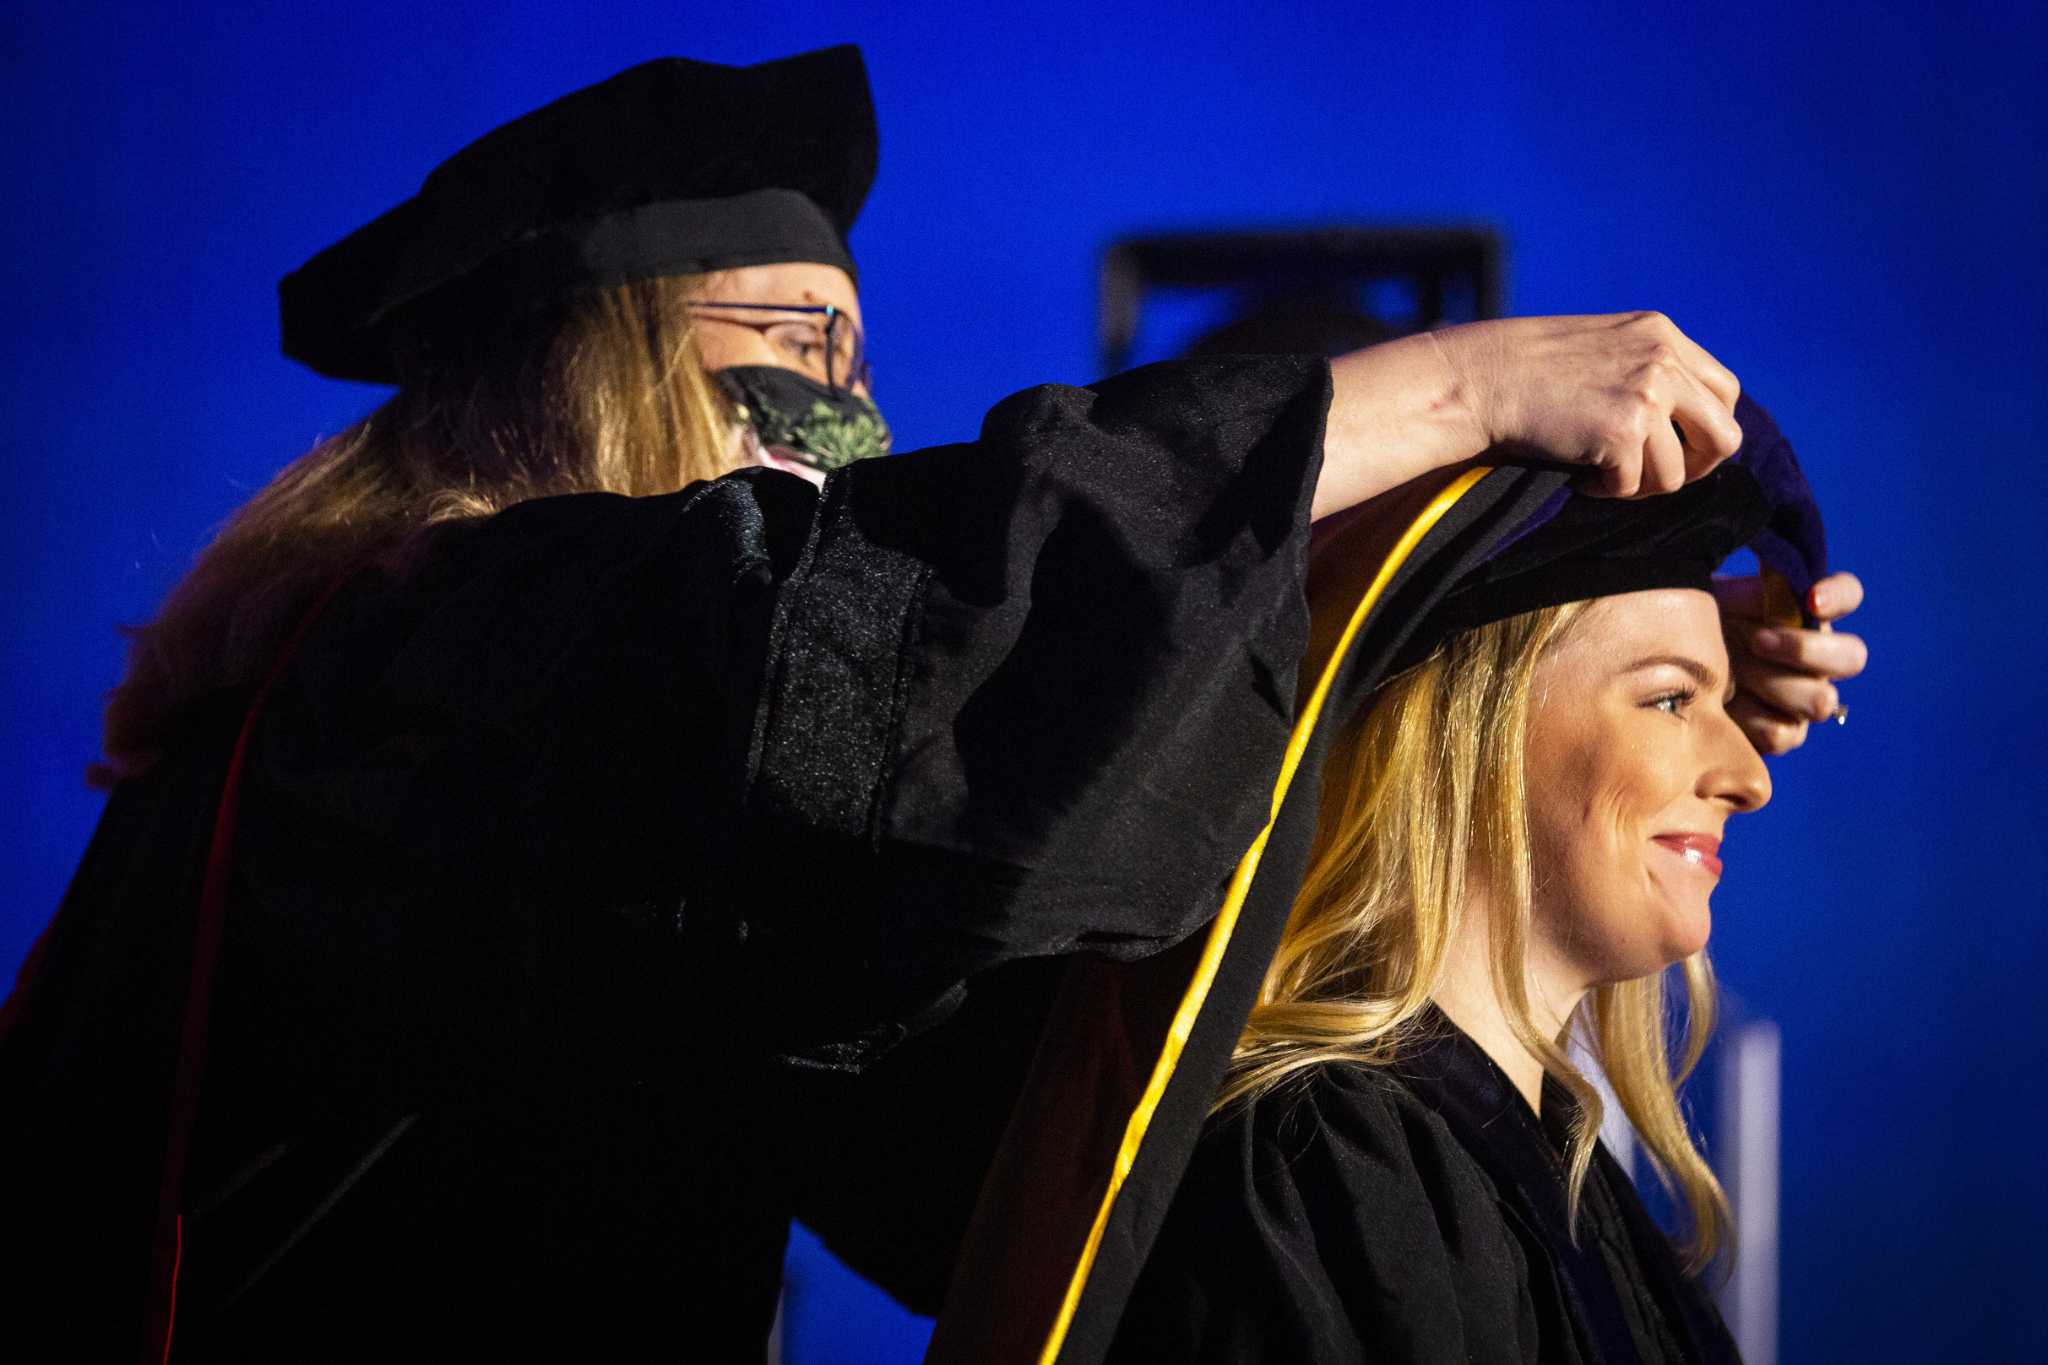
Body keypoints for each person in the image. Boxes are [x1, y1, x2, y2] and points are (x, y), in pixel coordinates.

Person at [0, 45, 1853, 1365]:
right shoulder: (428, 654)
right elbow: (893, 645)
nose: (851, 420)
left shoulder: (615, 793)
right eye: (793, 351)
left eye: (861, 353)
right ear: (589, 378)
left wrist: (1606, 672)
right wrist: (1446, 396)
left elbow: (984, 1109)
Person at [1104, 410, 1864, 1362]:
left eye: (1725, 701)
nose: (1751, 777)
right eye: (1672, 697)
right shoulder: (1320, 1168)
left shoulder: (1567, 1176)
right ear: (1472, 729)